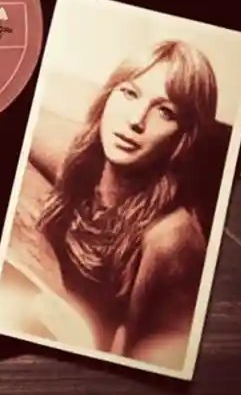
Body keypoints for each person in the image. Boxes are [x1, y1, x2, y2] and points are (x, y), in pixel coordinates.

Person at [33, 39, 218, 366]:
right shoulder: (77, 162)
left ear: (184, 137)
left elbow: (141, 363)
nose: (136, 120)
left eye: (165, 111)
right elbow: (21, 118)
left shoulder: (171, 239)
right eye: (130, 93)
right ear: (107, 98)